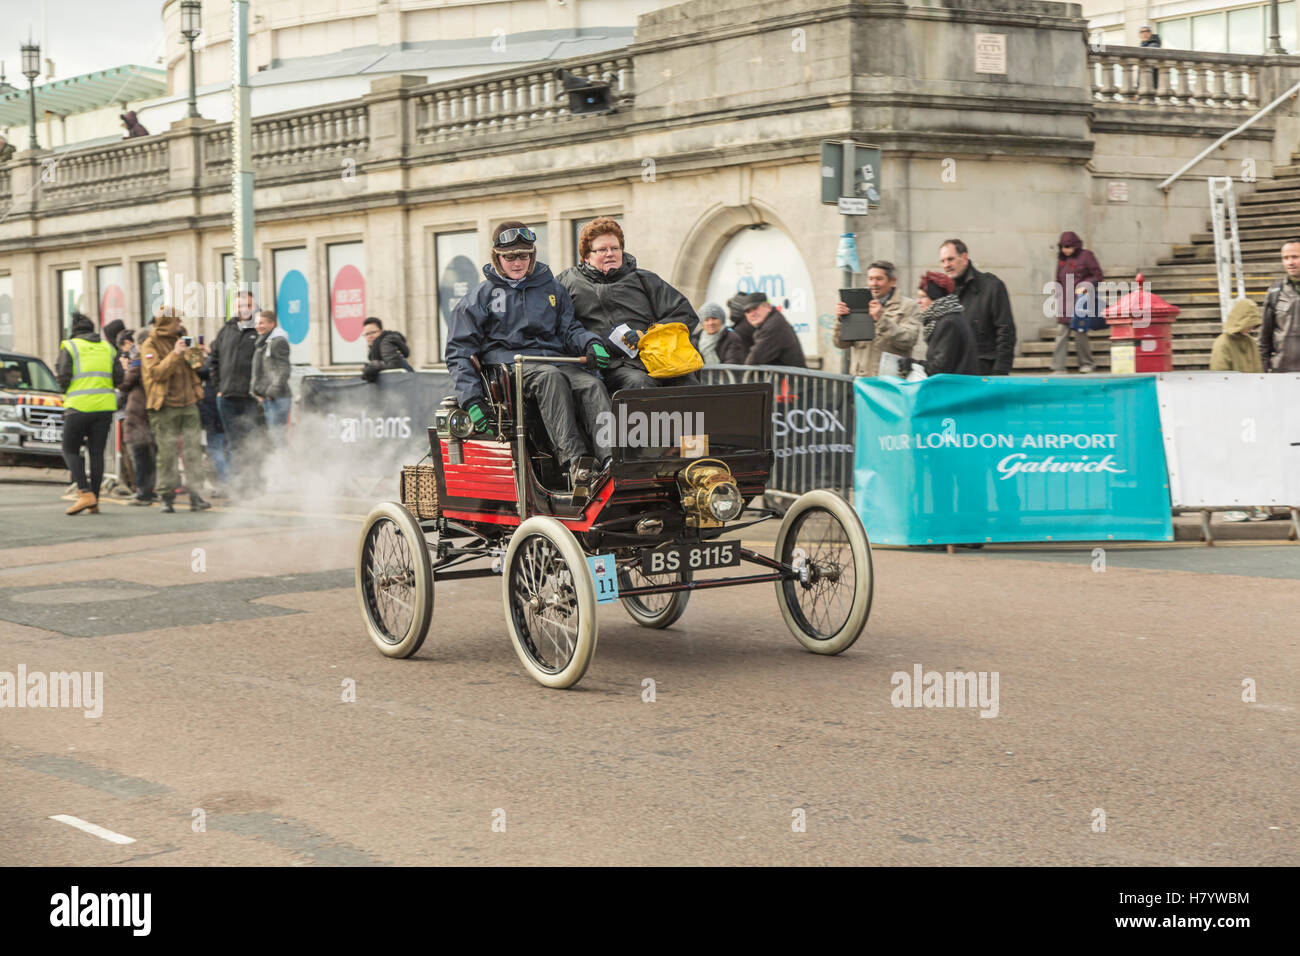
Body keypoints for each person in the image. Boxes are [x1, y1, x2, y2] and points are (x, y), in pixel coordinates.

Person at [446, 219, 613, 489]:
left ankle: (610, 460)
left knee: (592, 384)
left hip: (556, 360)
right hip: (512, 371)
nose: (517, 262)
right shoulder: (480, 297)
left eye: (523, 256)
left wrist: (589, 343)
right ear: (497, 257)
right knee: (550, 378)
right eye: (509, 257)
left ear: (532, 256)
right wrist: (471, 400)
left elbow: (570, 330)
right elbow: (459, 351)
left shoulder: (553, 289)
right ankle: (576, 463)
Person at [558, 216, 699, 389]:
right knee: (639, 383)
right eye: (602, 249)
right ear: (587, 256)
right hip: (608, 365)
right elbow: (561, 326)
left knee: (687, 381)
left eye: (615, 248)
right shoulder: (567, 282)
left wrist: (647, 334)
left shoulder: (645, 279)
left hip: (657, 357)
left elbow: (685, 314)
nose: (610, 253)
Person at [140, 307, 212, 513]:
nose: (180, 323)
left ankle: (196, 495)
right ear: (166, 322)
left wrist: (194, 350)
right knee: (167, 453)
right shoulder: (150, 344)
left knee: (193, 451)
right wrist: (175, 354)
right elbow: (156, 373)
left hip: (189, 403)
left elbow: (198, 365)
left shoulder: (183, 337)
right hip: (164, 406)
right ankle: (166, 496)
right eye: (177, 320)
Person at [56, 313, 124, 515]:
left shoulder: (70, 346)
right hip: (104, 407)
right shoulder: (108, 348)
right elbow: (119, 378)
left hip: (78, 407)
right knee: (96, 453)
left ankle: (85, 493)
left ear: (74, 329)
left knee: (70, 450)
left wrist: (66, 388)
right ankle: (94, 501)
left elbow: (63, 377)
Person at [204, 291, 261, 489]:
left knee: (253, 443)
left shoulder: (260, 329)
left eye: (247, 305)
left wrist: (260, 390)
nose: (243, 309)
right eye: (239, 306)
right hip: (227, 396)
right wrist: (219, 388)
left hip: (251, 397)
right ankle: (237, 488)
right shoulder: (226, 330)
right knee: (232, 444)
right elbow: (214, 361)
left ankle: (253, 486)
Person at [940, 238, 1016, 375]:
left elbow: (1006, 332)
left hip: (984, 372)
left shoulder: (992, 286)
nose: (946, 265)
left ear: (964, 258)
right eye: (943, 261)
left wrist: (1000, 372)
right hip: (954, 374)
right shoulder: (944, 294)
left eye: (950, 259)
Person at [833, 260, 922, 377]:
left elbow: (908, 340)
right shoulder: (858, 304)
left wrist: (881, 320)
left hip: (891, 382)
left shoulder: (908, 306)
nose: (873, 283)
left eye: (879, 279)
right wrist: (841, 321)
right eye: (870, 279)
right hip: (861, 381)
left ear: (892, 281)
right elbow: (840, 344)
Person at [1051, 231, 1105, 374]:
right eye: (1063, 247)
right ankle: (1058, 367)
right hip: (1065, 302)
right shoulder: (1061, 260)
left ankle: (1087, 364)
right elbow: (1058, 279)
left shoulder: (1086, 256)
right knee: (1062, 334)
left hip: (1081, 301)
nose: (1065, 250)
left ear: (1075, 245)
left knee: (1080, 333)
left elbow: (1098, 275)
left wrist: (1086, 285)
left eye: (1068, 246)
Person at [117, 328, 157, 505]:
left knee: (139, 453)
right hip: (151, 410)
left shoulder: (140, 361)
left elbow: (125, 383)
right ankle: (150, 489)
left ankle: (144, 491)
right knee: (150, 453)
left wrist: (125, 369)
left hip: (138, 411)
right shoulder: (157, 357)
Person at [915, 272, 979, 375]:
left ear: (935, 297)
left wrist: (913, 364)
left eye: (923, 297)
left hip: (956, 388)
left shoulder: (948, 323)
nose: (918, 301)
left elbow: (939, 369)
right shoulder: (946, 319)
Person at [1260, 239, 1300, 372]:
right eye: (1286, 258)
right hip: (1282, 373)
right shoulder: (1275, 293)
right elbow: (1264, 339)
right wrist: (1264, 373)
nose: (1290, 262)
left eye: (1295, 257)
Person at [252, 310, 293, 440]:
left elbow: (284, 370)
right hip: (267, 397)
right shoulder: (263, 342)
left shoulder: (278, 342)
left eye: (261, 323)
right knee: (273, 437)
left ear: (272, 324)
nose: (258, 326)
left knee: (278, 437)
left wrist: (271, 392)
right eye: (257, 323)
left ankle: (284, 460)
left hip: (277, 398)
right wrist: (257, 392)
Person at [738, 292, 806, 368]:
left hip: (790, 378)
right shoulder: (771, 321)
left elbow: (755, 359)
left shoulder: (773, 326)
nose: (752, 314)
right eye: (747, 311)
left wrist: (744, 374)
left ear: (768, 307)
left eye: (755, 308)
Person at [360, 316, 413, 381]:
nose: (370, 336)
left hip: (404, 382)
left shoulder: (385, 342)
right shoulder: (375, 346)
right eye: (367, 334)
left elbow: (393, 365)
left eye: (373, 332)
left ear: (381, 331)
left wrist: (373, 366)